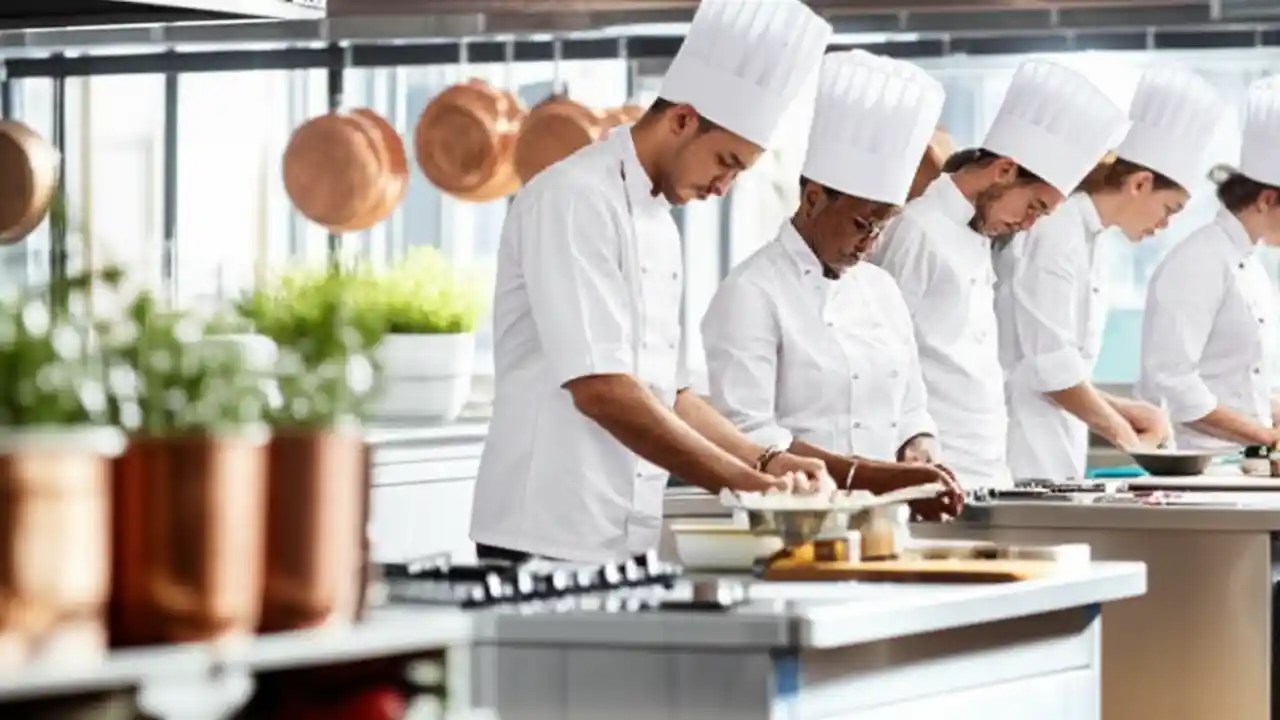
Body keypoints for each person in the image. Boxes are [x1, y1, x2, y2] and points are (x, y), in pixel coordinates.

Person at [469, 0, 834, 564]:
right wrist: (745, 486)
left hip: (624, 538)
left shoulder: (660, 222)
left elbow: (670, 392)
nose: (724, 188)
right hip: (542, 535)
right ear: (683, 119)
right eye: (726, 162)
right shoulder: (574, 198)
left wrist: (765, 460)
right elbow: (602, 389)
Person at [700, 50, 963, 520]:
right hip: (790, 524)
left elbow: (911, 407)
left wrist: (918, 447)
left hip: (884, 520)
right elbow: (749, 432)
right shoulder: (751, 292)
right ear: (814, 198)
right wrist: (874, 478)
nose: (870, 242)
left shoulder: (882, 290)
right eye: (863, 223)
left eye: (882, 228)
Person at [870, 60, 1128, 489]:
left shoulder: (977, 237)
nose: (1029, 224)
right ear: (1005, 170)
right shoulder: (918, 231)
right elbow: (887, 359)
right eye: (1033, 207)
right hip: (933, 471)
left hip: (986, 471)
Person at [1000, 67, 1220, 481]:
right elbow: (1049, 366)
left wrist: (1123, 410)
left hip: (1053, 447)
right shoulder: (1056, 229)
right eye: (1169, 209)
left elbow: (1063, 368)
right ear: (1139, 183)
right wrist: (1130, 439)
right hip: (1021, 451)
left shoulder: (1093, 238)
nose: (1164, 225)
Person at [1138, 77, 1280, 451]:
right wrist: (1265, 436)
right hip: (1203, 464)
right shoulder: (1198, 261)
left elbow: (1246, 380)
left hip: (1244, 462)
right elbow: (1174, 380)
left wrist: (1272, 417)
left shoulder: (1253, 267)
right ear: (1266, 200)